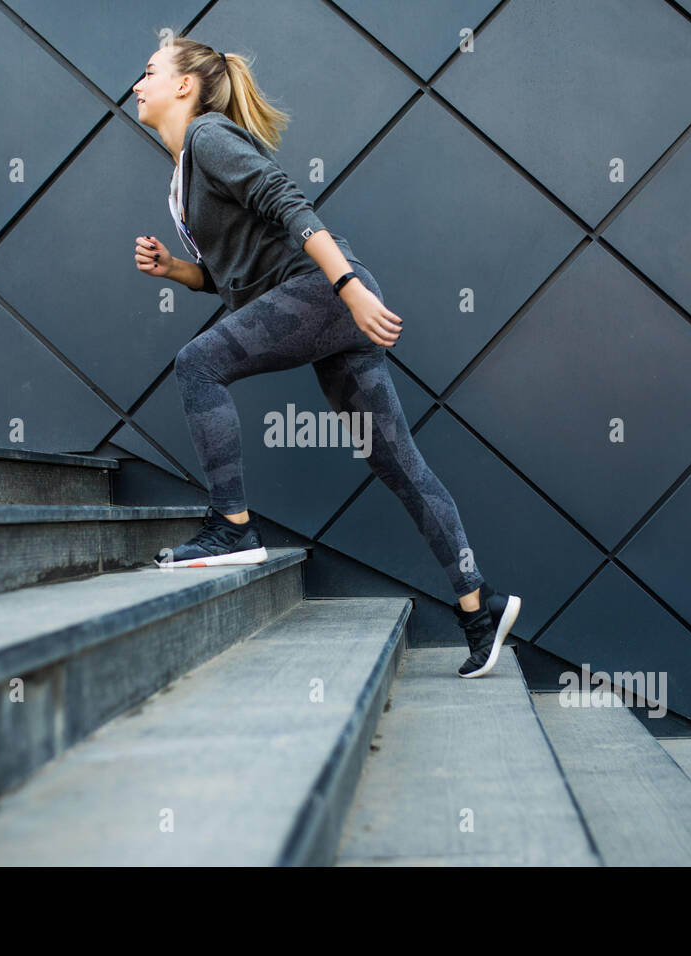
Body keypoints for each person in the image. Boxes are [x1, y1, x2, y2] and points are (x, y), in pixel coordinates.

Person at [131, 37, 521, 677]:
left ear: (184, 86)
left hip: (326, 292)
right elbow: (237, 279)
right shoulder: (184, 173)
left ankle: (231, 525)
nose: (137, 83)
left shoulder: (207, 137)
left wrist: (349, 288)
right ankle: (482, 610)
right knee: (398, 464)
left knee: (197, 365)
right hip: (324, 302)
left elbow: (288, 203)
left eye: (150, 72)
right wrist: (179, 271)